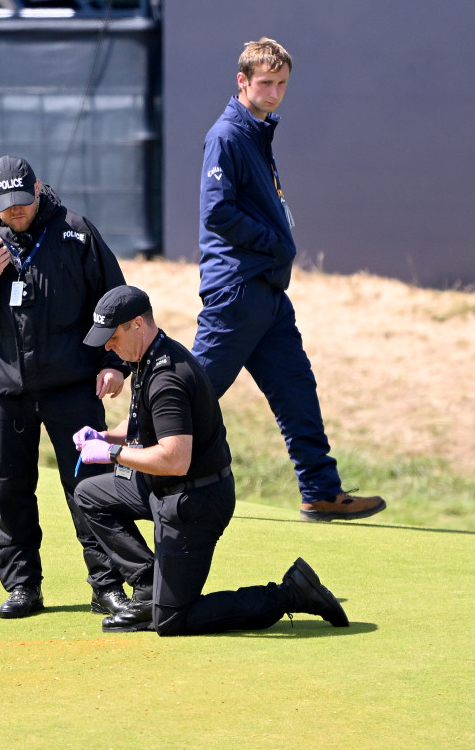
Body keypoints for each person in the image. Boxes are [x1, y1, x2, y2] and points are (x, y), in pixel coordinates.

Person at [74, 285, 351, 635]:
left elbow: (175, 459)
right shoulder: (150, 355)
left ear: (136, 325)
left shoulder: (167, 377)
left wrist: (112, 453)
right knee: (90, 495)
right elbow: (147, 422)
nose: (107, 347)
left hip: (194, 501)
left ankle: (291, 594)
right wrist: (105, 436)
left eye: (111, 337)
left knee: (172, 621)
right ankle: (149, 588)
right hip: (165, 489)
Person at [0, 155, 138, 620]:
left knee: (92, 487)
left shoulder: (76, 230)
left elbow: (114, 300)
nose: (17, 211)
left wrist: (114, 364)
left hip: (72, 387)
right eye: (7, 205)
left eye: (24, 200)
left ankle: (107, 586)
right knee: (10, 490)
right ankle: (24, 587)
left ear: (38, 187)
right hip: (6, 392)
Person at [195, 37, 384, 522]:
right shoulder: (228, 134)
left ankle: (321, 491)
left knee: (297, 389)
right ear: (243, 82)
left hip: (267, 292)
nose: (275, 92)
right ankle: (129, 465)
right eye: (265, 83)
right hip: (237, 289)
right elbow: (216, 212)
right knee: (191, 389)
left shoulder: (257, 130)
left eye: (281, 83)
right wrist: (274, 243)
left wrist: (276, 250)